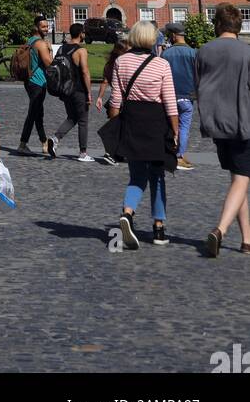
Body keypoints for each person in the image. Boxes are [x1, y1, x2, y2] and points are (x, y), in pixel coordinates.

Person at [109, 21, 179, 249]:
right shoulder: (161, 64)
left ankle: (128, 213)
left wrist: (115, 126)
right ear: (152, 39)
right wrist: (175, 130)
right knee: (157, 176)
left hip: (131, 119)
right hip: (155, 121)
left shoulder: (121, 61)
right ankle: (159, 228)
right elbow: (169, 100)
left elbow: (116, 100)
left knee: (136, 174)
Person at [195, 3, 250, 258]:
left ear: (217, 24)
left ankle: (247, 240)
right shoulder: (246, 52)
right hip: (243, 123)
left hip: (216, 123)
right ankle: (221, 229)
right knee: (242, 179)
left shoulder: (204, 51)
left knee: (237, 179)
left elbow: (199, 85)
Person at [46, 24, 93, 161]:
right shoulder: (81, 50)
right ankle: (83, 153)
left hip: (65, 89)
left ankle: (55, 138)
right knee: (83, 120)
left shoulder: (61, 48)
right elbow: (85, 72)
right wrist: (89, 92)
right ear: (81, 34)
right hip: (78, 89)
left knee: (72, 117)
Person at [162, 22, 197, 170]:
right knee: (184, 127)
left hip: (169, 96)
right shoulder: (193, 53)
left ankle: (171, 153)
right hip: (187, 96)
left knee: (169, 126)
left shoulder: (166, 54)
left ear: (174, 36)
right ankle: (179, 155)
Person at [18, 16, 52, 155]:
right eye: (43, 27)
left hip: (29, 80)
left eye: (47, 26)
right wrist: (49, 50)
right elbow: (49, 63)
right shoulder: (41, 44)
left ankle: (44, 142)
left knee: (38, 112)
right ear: (37, 27)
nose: (46, 29)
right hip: (38, 81)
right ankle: (22, 143)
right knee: (33, 113)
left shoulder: (30, 40)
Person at [96, 33, 131, 165]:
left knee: (116, 127)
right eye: (128, 50)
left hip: (113, 100)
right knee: (118, 128)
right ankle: (111, 153)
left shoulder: (109, 65)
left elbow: (104, 82)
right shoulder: (122, 64)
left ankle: (117, 153)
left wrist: (99, 97)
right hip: (121, 100)